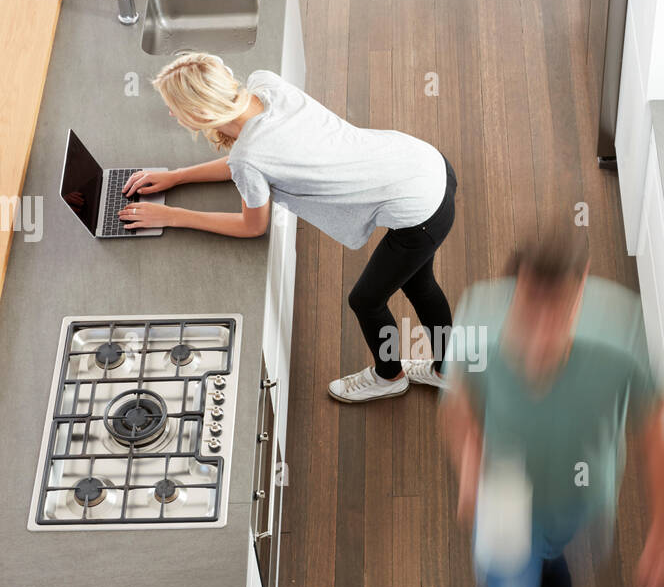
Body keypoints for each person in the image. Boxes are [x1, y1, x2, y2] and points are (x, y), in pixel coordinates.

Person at [439, 226, 664, 587]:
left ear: (582, 291)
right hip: (504, 495)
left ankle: (548, 555)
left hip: (579, 495)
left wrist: (661, 532)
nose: (541, 334)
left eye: (558, 313)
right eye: (529, 310)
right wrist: (470, 466)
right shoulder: (477, 316)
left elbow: (652, 435)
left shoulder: (623, 331)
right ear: (512, 289)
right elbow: (458, 406)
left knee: (553, 544)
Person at [119, 52, 457, 403]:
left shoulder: (248, 159)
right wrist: (176, 177)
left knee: (366, 300)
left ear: (202, 113)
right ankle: (445, 371)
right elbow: (252, 157)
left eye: (176, 107)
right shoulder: (266, 85)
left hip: (419, 213)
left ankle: (390, 377)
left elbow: (252, 224)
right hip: (427, 164)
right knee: (422, 285)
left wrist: (172, 216)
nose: (172, 114)